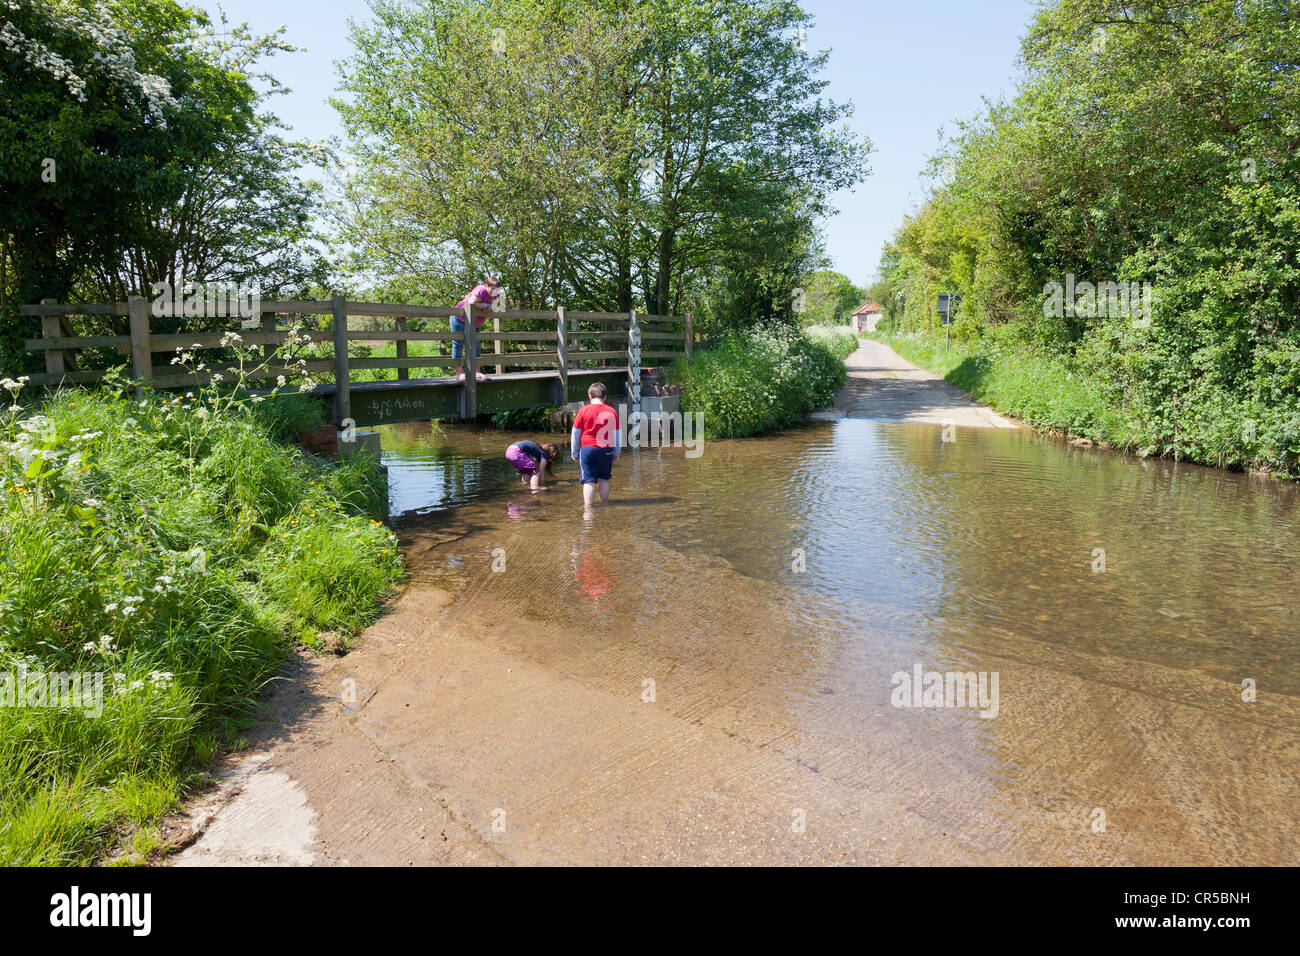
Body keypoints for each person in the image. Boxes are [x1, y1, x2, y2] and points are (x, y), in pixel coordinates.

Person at [570, 382, 620, 510]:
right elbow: (617, 434)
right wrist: (617, 452)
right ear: (605, 397)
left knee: (589, 480)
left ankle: (588, 511)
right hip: (607, 449)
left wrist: (574, 452)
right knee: (604, 478)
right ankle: (605, 506)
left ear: (590, 396)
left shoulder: (583, 410)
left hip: (588, 448)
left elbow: (575, 433)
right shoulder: (612, 411)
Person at [450, 276, 501, 382]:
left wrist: (488, 304)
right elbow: (470, 303)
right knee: (458, 345)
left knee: (476, 347)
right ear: (486, 285)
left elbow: (496, 308)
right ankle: (460, 373)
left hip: (474, 324)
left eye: (497, 290)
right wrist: (486, 305)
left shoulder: (496, 295)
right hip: (459, 318)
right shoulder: (481, 290)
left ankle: (476, 372)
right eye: (493, 289)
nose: (494, 292)